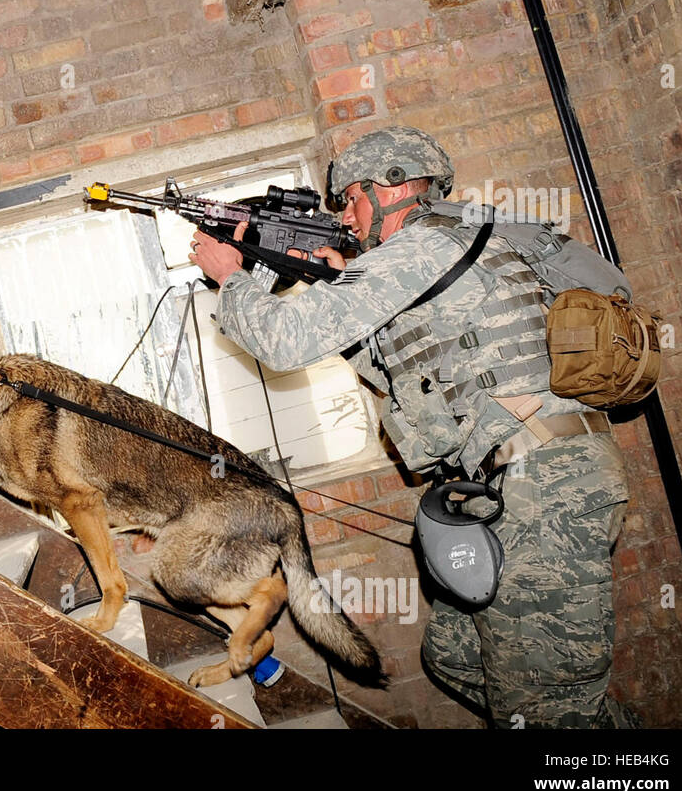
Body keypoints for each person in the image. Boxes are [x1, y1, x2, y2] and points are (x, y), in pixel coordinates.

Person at [188, 125, 634, 728]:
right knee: (452, 656)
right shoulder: (432, 253)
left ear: (391, 186)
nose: (345, 214)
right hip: (510, 488)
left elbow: (281, 340)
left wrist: (232, 277)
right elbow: (399, 371)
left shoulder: (422, 248)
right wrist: (332, 283)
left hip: (543, 485)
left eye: (349, 198)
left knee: (541, 709)